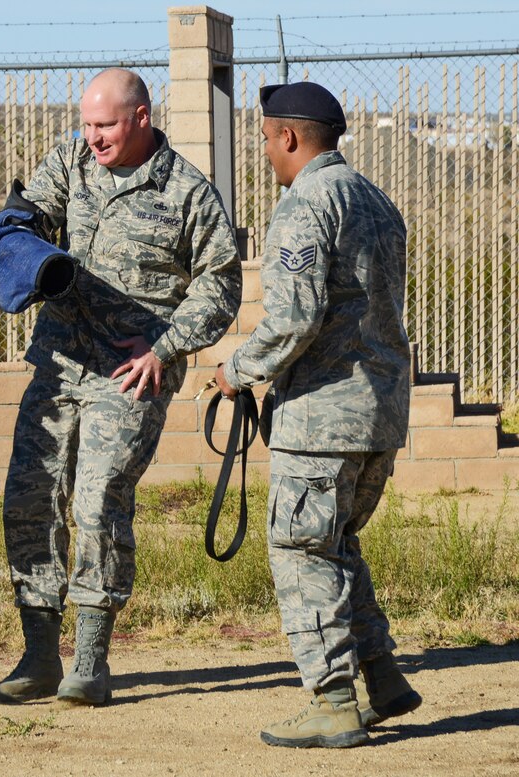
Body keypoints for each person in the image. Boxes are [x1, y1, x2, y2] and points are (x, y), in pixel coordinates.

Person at [0, 68, 241, 706]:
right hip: (59, 360)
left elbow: (219, 282)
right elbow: (36, 210)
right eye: (86, 123)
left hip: (131, 372)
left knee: (98, 499)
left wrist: (167, 346)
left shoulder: (187, 191)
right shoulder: (74, 159)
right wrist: (12, 225)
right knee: (29, 495)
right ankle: (40, 656)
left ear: (140, 118)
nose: (91, 136)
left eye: (104, 125)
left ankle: (91, 661)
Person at [214, 81, 421, 747]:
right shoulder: (377, 202)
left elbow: (295, 317)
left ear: (292, 138)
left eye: (267, 139)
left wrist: (236, 370)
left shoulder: (306, 203)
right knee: (335, 544)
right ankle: (383, 675)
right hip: (379, 412)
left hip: (322, 418)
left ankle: (332, 699)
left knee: (302, 552)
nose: (266, 152)